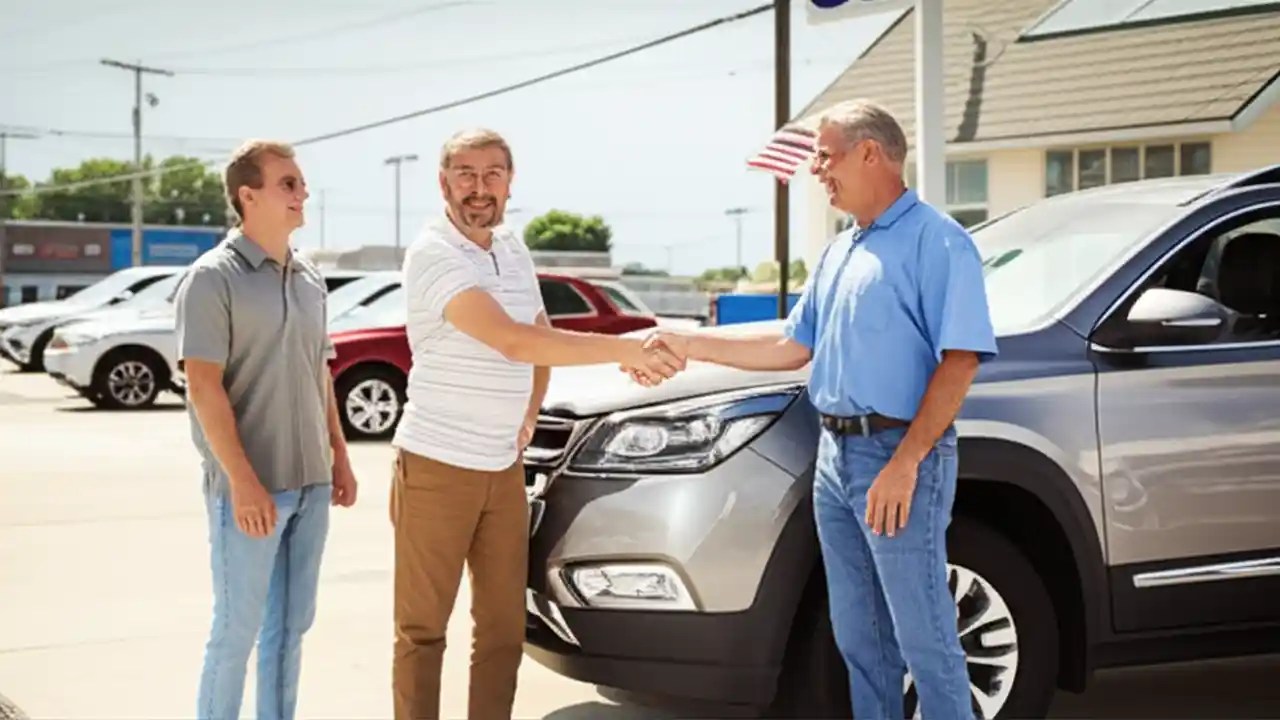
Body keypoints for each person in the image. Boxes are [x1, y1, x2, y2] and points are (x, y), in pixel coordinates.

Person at [631, 100, 997, 719]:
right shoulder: (839, 252)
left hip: (898, 458)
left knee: (925, 638)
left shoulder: (938, 241)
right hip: (834, 459)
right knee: (860, 638)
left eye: (825, 156)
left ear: (870, 153)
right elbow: (790, 346)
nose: (816, 169)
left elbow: (960, 360)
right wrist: (687, 344)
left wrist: (905, 463)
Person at [390, 127, 682, 720]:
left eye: (492, 174)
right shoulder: (433, 253)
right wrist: (628, 351)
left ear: (509, 181)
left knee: (501, 630)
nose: (479, 188)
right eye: (465, 175)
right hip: (436, 466)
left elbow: (540, 338)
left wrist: (526, 414)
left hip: (502, 467)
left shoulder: (512, 249)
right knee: (422, 632)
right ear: (443, 182)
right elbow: (511, 338)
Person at [174, 139, 359, 720]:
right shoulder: (211, 279)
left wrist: (340, 455)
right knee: (235, 634)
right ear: (247, 196)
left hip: (311, 485)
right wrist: (243, 482)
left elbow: (319, 373)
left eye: (300, 183)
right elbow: (203, 387)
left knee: (289, 632)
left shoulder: (309, 279)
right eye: (288, 184)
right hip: (251, 490)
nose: (301, 193)